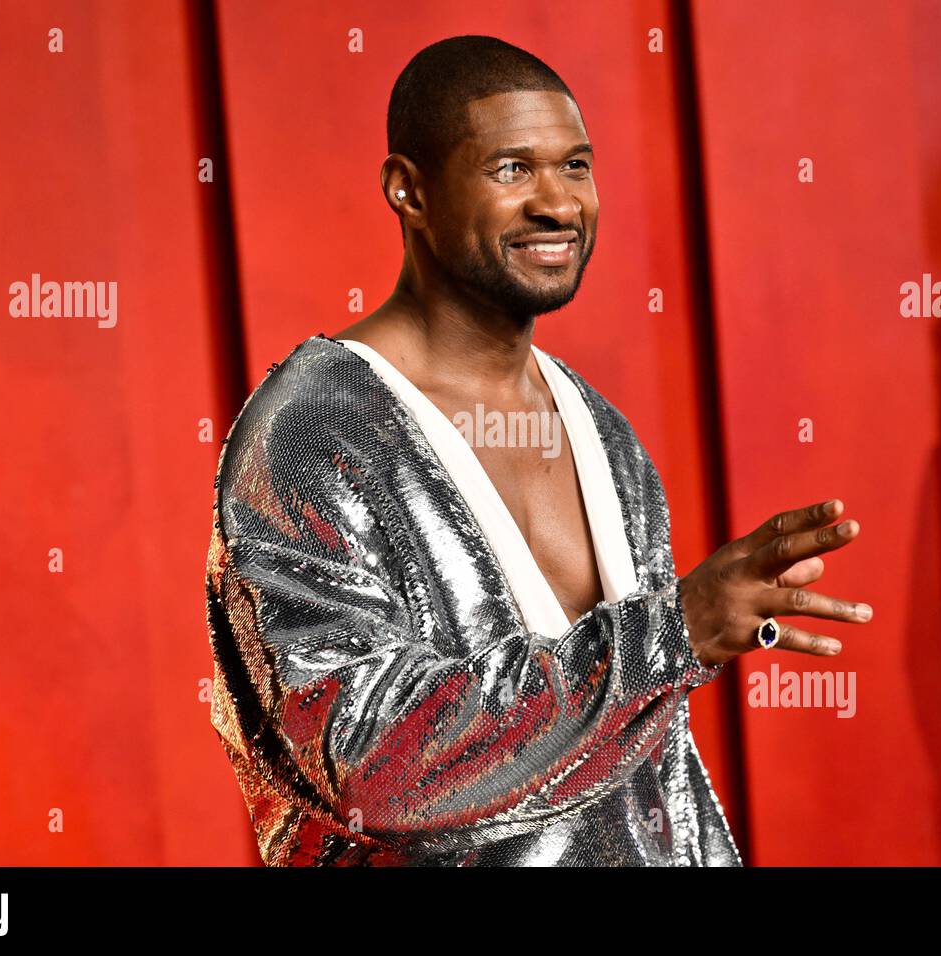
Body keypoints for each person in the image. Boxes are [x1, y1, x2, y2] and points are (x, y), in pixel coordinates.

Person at [204, 34, 870, 866]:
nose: (559, 204)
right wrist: (673, 635)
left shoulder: (604, 432)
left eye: (577, 166)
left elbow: (653, 778)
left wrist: (676, 642)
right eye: (512, 169)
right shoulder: (312, 431)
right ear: (408, 190)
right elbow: (372, 769)